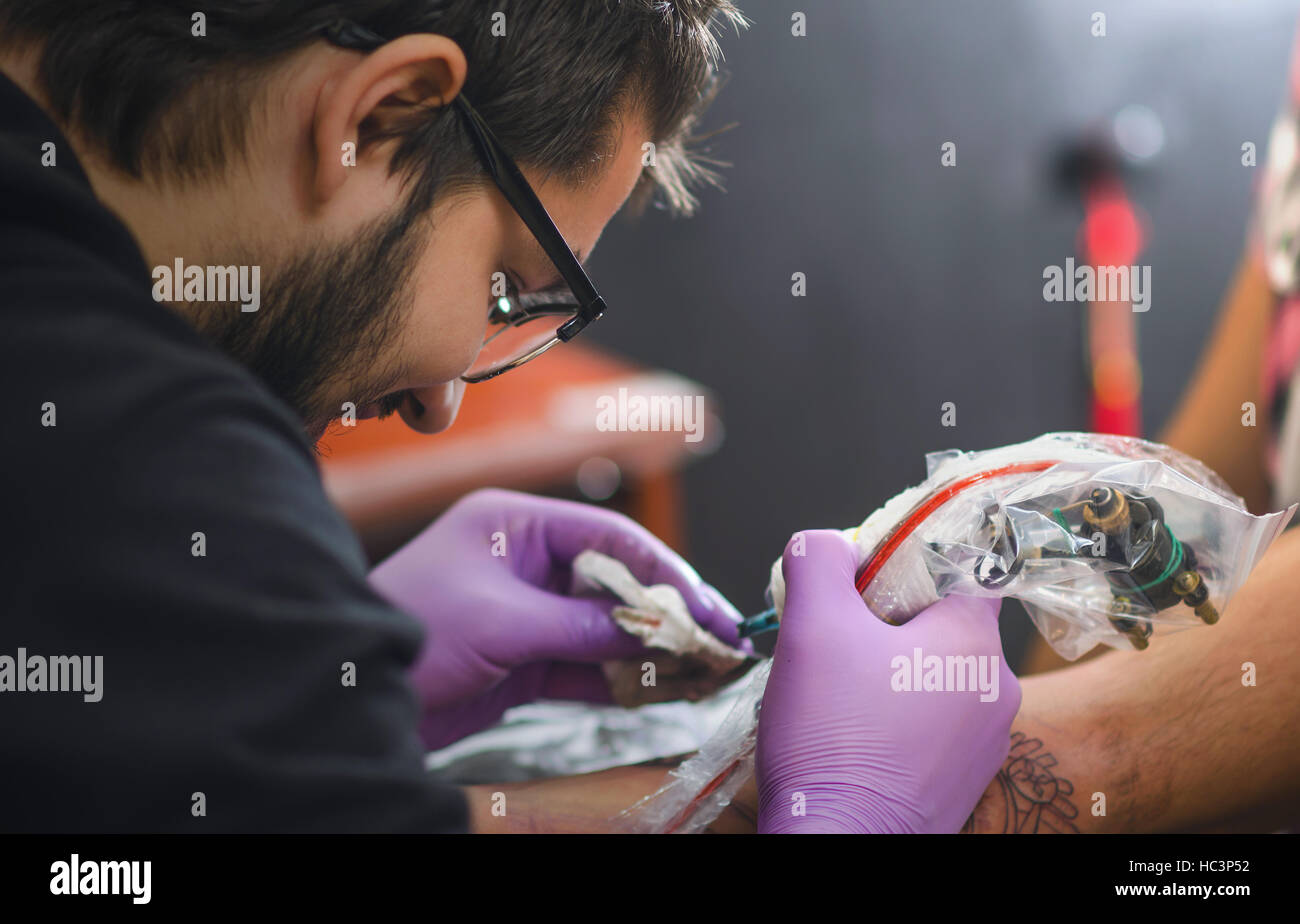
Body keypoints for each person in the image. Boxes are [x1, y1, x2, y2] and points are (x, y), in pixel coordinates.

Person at [0, 0, 1018, 834]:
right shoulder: (149, 476)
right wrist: (856, 815)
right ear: (382, 112)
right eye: (501, 292)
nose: (441, 401)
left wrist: (319, 679)